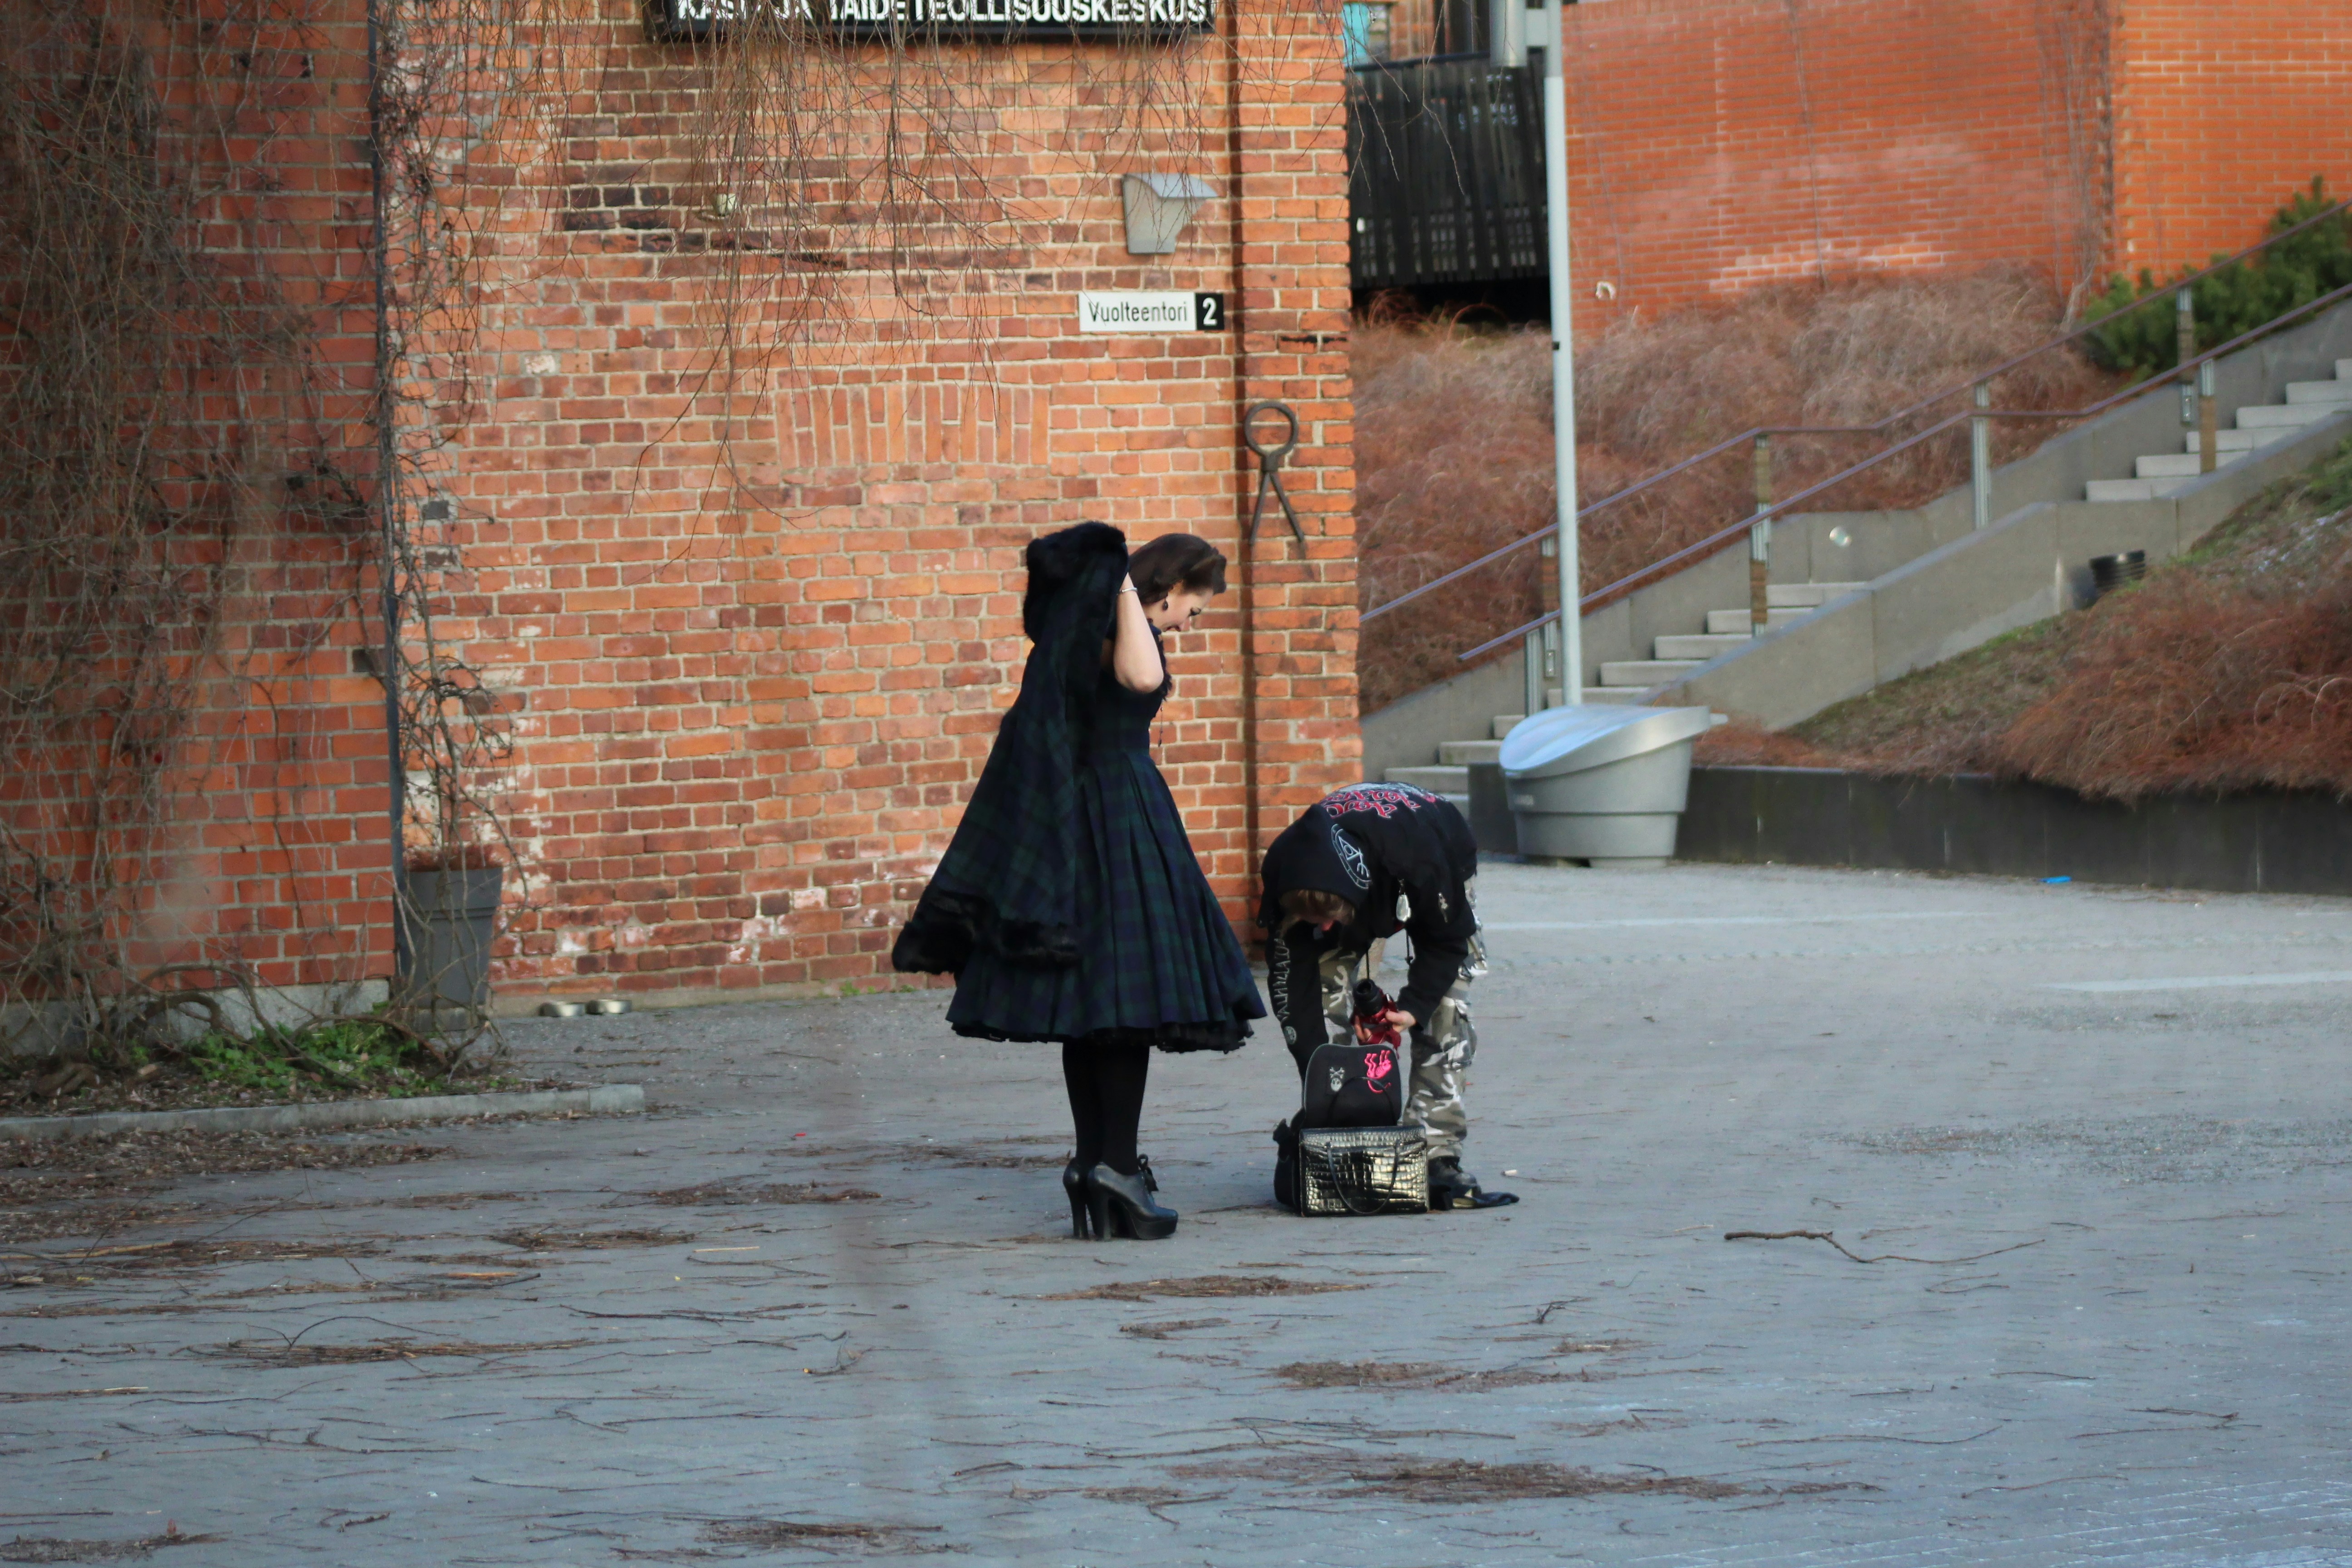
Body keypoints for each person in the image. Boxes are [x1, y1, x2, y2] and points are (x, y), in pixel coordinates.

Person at [892, 524, 1262, 1241]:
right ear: (1169, 586)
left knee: (1094, 1003)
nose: (1192, 623)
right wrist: (1123, 582)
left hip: (1088, 820)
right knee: (1125, 1004)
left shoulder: (1081, 630)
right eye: (1196, 605)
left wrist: (1119, 589)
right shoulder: (1113, 628)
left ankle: (1096, 1164)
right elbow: (1141, 679)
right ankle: (1114, 1169)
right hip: (1117, 819)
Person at [1258, 781, 1504, 1210]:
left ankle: (1436, 1152)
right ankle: (1341, 1132)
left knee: (1447, 1012)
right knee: (1318, 994)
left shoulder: (1423, 860)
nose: (1328, 931)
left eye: (1333, 920)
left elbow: (1447, 945)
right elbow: (1292, 994)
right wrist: (1332, 1085)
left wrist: (1412, 1008)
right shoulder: (1285, 871)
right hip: (1355, 889)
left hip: (1434, 856)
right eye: (1317, 922)